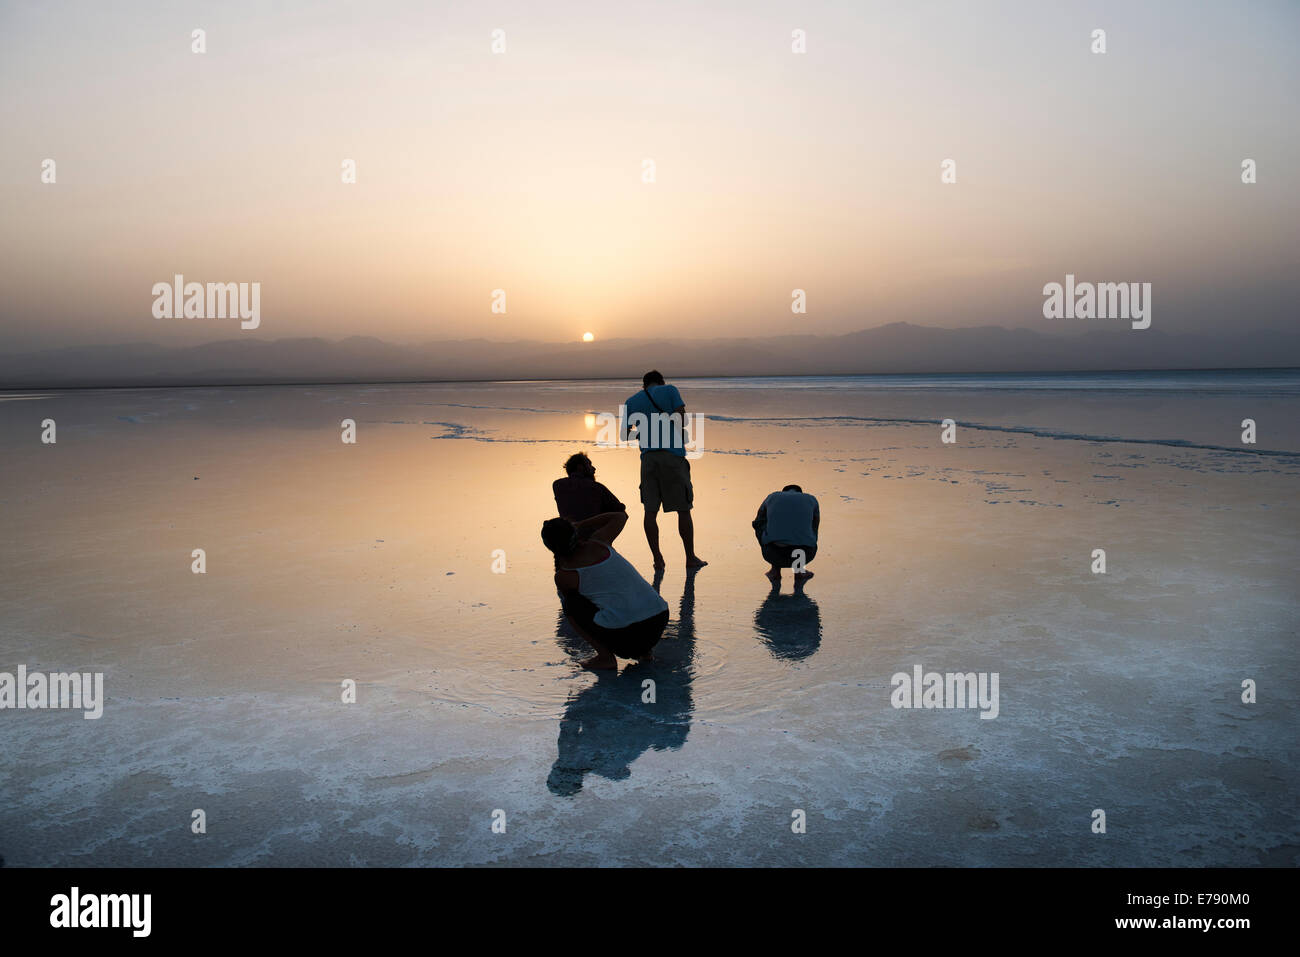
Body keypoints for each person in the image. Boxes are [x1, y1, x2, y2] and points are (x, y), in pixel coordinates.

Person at [542, 511, 670, 671]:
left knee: (571, 604)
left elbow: (580, 607)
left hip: (627, 634)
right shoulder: (600, 542)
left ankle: (605, 657)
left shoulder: (565, 575)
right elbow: (620, 516)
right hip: (658, 619)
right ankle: (645, 652)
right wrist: (582, 525)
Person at [621, 370, 707, 570]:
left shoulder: (631, 401)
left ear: (644, 385)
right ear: (661, 382)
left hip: (648, 459)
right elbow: (682, 419)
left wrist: (646, 430)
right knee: (683, 509)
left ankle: (658, 559)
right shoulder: (670, 390)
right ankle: (690, 557)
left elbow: (625, 434)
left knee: (650, 511)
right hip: (672, 456)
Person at [752, 484, 819, 583]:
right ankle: (799, 571)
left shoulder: (772, 497)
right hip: (804, 553)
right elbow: (815, 525)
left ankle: (775, 571)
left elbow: (757, 521)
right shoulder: (811, 499)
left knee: (763, 526)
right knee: (809, 533)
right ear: (800, 493)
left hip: (773, 553)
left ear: (783, 492)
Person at [552, 452, 626, 527]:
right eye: (589, 465)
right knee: (621, 515)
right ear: (580, 467)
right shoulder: (597, 487)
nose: (594, 469)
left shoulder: (557, 485)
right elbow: (620, 508)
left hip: (567, 531)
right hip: (589, 533)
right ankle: (596, 538)